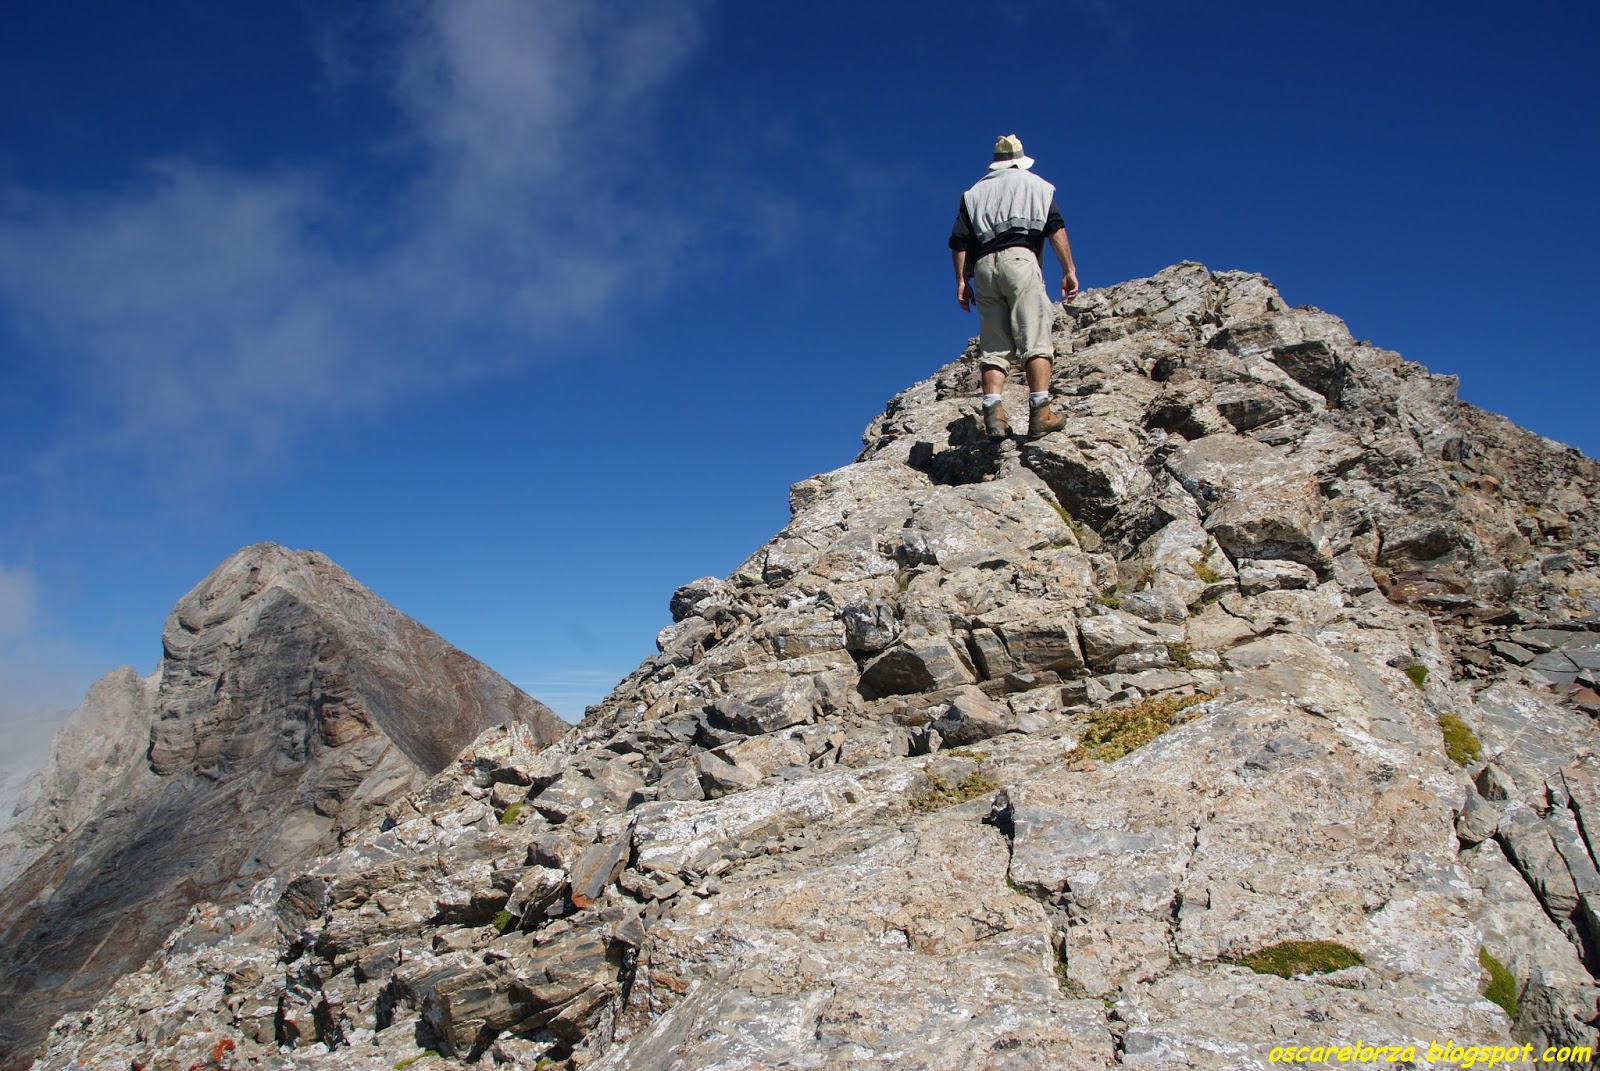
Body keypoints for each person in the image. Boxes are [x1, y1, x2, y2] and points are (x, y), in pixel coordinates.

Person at [948, 134, 1079, 441]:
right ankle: (1041, 412)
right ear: (1020, 160)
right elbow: (1054, 227)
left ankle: (994, 415)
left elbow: (958, 241)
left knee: (994, 346)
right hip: (1021, 258)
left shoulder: (973, 194)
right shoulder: (1036, 185)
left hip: (983, 269)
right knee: (1034, 335)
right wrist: (1068, 269)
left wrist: (961, 281)